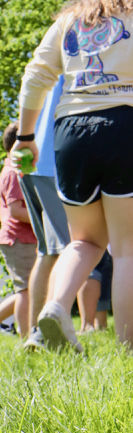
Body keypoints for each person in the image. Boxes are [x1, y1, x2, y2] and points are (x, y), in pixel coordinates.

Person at [12, 0, 133, 350]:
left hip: (71, 133)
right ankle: (129, 348)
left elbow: (35, 76)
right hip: (131, 124)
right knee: (130, 247)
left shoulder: (68, 22)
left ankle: (57, 309)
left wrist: (26, 136)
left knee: (83, 241)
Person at [17, 77, 72, 350]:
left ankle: (34, 334)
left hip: (30, 160)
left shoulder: (44, 64)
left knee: (47, 251)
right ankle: (45, 332)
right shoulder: (73, 54)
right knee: (67, 249)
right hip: (53, 161)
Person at [0, 123, 38, 338]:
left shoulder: (13, 170)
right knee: (26, 292)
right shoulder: (13, 172)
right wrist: (44, 221)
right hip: (19, 239)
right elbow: (16, 211)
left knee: (27, 290)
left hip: (21, 239)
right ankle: (27, 338)